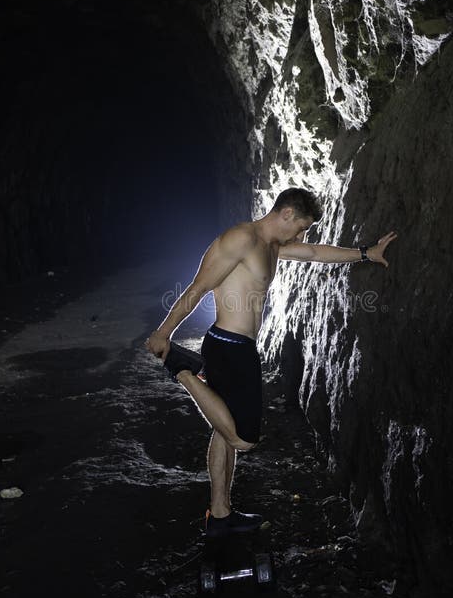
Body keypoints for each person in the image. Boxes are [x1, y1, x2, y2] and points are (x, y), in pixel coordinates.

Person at [144, 187, 397, 537]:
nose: (302, 235)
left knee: (222, 430)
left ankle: (220, 515)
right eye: (302, 226)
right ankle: (183, 371)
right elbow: (198, 288)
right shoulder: (239, 240)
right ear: (287, 214)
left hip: (241, 348)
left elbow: (313, 253)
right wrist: (163, 333)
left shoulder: (272, 245)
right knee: (243, 440)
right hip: (227, 347)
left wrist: (366, 253)